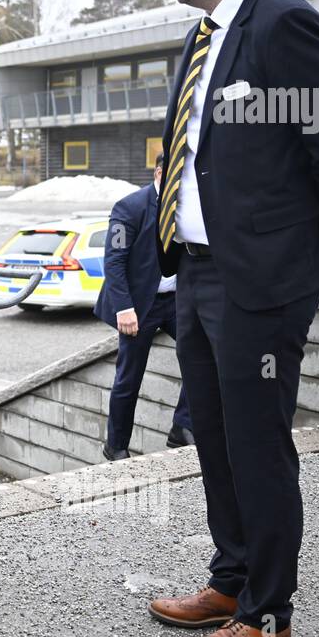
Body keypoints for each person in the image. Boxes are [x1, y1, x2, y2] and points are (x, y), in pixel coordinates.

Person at [149, 0, 319, 637]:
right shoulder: (202, 37)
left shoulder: (285, 25)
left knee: (258, 445)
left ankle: (269, 616)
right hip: (200, 274)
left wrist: (309, 259)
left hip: (262, 284)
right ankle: (233, 578)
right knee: (212, 436)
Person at [94, 153, 194, 461]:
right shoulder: (129, 207)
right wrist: (124, 307)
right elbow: (114, 260)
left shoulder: (187, 206)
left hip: (177, 302)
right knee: (129, 377)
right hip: (139, 308)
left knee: (206, 356)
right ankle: (116, 445)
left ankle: (182, 427)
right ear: (160, 173)